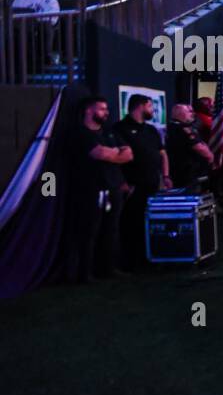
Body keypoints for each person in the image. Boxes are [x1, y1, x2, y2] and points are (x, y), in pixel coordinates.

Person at [66, 95, 132, 283]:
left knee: (111, 229)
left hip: (113, 188)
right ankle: (84, 273)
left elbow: (128, 154)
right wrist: (114, 153)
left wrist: (112, 154)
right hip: (90, 190)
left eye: (107, 109)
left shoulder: (109, 132)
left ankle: (108, 268)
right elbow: (98, 153)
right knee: (89, 231)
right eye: (102, 109)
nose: (106, 112)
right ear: (89, 110)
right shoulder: (80, 133)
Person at [115, 94, 170, 271]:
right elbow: (116, 158)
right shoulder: (120, 128)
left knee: (149, 224)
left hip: (153, 185)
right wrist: (122, 182)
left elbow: (162, 154)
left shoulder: (152, 130)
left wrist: (166, 176)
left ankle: (148, 258)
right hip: (133, 186)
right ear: (140, 106)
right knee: (131, 225)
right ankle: (129, 262)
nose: (153, 110)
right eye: (150, 106)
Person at [165, 103, 214, 191]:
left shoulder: (170, 127)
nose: (192, 114)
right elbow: (199, 147)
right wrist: (210, 156)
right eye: (189, 112)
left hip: (176, 171)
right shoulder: (183, 128)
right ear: (180, 113)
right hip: (185, 172)